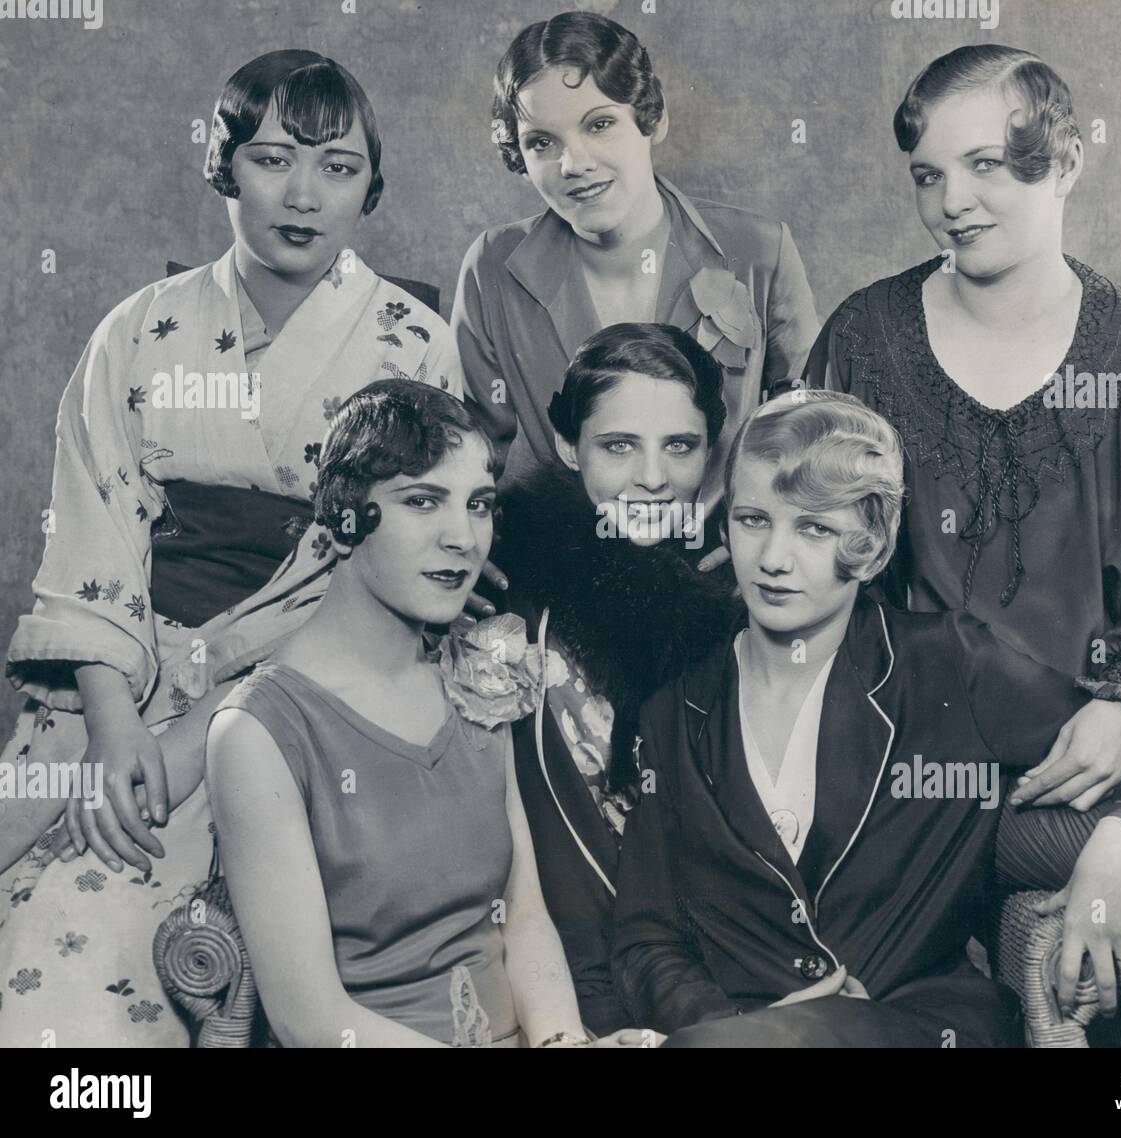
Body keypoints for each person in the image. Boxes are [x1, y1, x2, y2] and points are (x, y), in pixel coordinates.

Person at [805, 44, 1121, 1044]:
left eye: (988, 164)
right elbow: (812, 576)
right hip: (916, 773)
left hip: (1105, 748)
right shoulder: (861, 338)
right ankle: (1048, 929)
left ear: (1062, 164)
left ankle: (1060, 938)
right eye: (928, 173)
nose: (950, 200)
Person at [0, 49, 461, 1047]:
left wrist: (185, 737)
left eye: (337, 167)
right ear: (222, 163)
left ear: (368, 187)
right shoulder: (140, 330)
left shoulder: (414, 344)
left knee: (107, 922)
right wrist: (119, 724)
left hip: (305, 689)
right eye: (273, 158)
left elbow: (388, 571)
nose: (302, 194)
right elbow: (97, 530)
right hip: (122, 676)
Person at [613, 391, 1121, 1047]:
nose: (772, 558)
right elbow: (644, 936)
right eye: (753, 519)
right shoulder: (675, 711)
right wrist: (733, 1025)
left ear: (874, 546)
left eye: (814, 529)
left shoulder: (949, 664)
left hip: (918, 1025)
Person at [207, 379, 641, 1048]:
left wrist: (564, 1043)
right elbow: (309, 1021)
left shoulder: (481, 675)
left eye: (479, 505)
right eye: (422, 501)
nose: (464, 539)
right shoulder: (259, 731)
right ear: (345, 516)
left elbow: (523, 918)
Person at [467, 322, 738, 1035]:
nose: (652, 476)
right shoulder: (502, 586)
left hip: (708, 960)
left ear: (711, 451)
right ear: (567, 445)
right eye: (619, 445)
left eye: (679, 446)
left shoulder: (743, 594)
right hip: (548, 956)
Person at [452, 9, 820, 499]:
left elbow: (807, 429)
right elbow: (469, 451)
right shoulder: (492, 265)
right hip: (561, 558)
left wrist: (755, 533)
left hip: (721, 560)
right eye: (542, 142)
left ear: (653, 118)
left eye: (599, 125)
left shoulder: (759, 248)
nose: (575, 164)